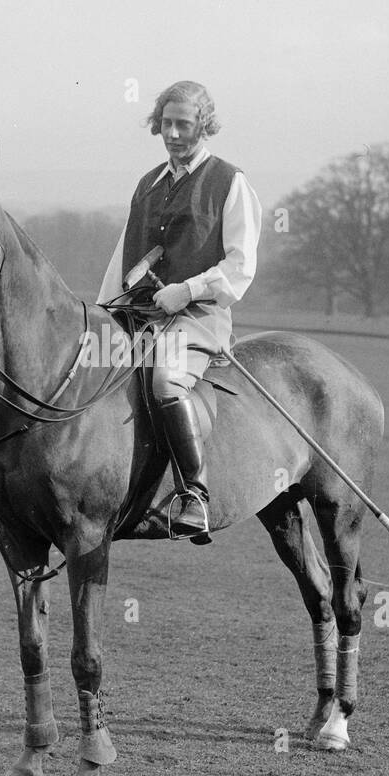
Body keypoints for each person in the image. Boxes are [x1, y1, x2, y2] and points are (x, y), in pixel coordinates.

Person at [97, 81, 263, 542]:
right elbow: (121, 259)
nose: (172, 133)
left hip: (196, 319)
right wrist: (100, 316)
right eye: (165, 124)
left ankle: (195, 496)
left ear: (203, 125)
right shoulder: (147, 184)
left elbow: (240, 265)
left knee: (165, 380)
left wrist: (186, 290)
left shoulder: (230, 183)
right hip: (136, 317)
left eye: (182, 124)